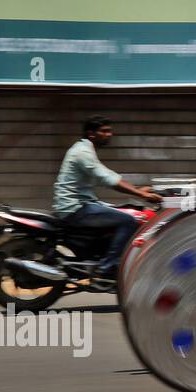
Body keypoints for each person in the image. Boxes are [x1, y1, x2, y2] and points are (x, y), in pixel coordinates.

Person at [53, 116, 161, 280]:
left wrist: (138, 190)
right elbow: (106, 178)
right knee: (128, 221)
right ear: (91, 134)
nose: (109, 134)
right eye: (104, 131)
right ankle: (108, 265)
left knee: (129, 209)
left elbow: (107, 176)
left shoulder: (84, 149)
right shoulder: (82, 152)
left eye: (110, 131)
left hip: (83, 204)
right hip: (75, 208)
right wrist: (141, 194)